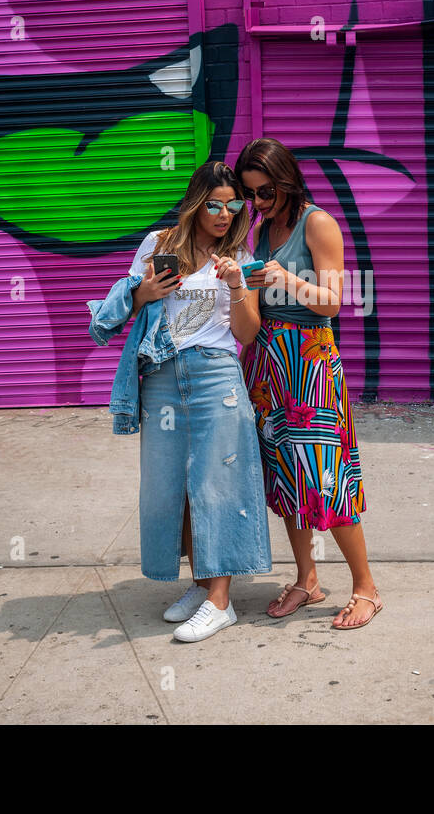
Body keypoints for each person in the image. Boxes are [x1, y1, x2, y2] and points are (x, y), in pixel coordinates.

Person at [88, 161, 270, 642]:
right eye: (215, 204)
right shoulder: (158, 244)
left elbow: (246, 333)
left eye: (234, 205)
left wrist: (236, 284)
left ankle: (220, 601)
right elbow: (130, 304)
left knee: (219, 482)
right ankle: (200, 582)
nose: (225, 214)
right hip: (162, 375)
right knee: (174, 488)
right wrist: (145, 292)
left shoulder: (238, 254)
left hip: (216, 374)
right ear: (196, 202)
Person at [235, 137, 382, 629]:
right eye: (251, 193)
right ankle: (307, 579)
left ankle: (366, 587)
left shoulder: (317, 222)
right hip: (266, 361)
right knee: (286, 474)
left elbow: (334, 301)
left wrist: (285, 279)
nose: (257, 202)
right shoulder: (262, 227)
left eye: (266, 191)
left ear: (287, 180)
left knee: (326, 476)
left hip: (310, 356)